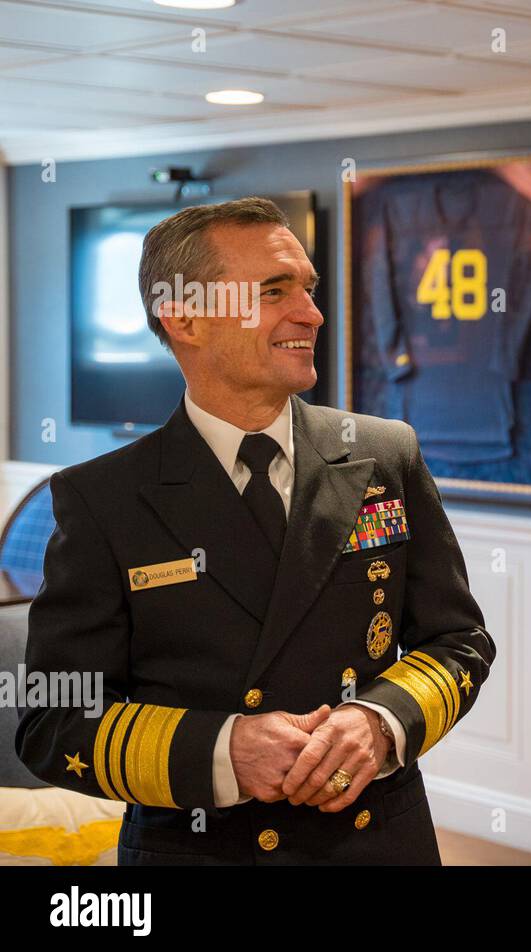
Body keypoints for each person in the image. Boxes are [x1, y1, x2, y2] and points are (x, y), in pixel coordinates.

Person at [16, 198, 494, 864]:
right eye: (274, 292)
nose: (311, 313)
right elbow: (54, 721)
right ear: (183, 317)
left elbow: (458, 641)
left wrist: (378, 722)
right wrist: (223, 750)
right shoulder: (102, 499)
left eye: (307, 289)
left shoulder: (385, 453)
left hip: (376, 841)